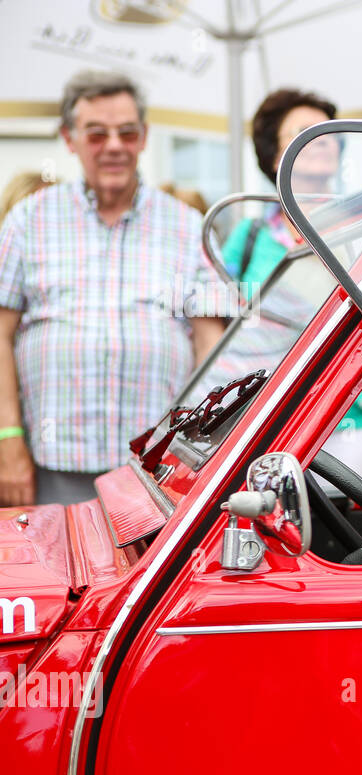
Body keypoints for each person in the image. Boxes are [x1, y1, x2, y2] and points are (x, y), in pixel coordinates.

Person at [0, 70, 226, 506]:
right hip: (50, 462)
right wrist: (7, 439)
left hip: (157, 469)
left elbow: (211, 346)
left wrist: (197, 451)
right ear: (69, 138)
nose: (114, 146)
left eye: (127, 132)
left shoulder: (187, 225)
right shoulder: (27, 220)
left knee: (155, 576)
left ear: (144, 137)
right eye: (97, 134)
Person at [222, 88, 362, 486]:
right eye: (307, 132)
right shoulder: (249, 238)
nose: (323, 140)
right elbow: (221, 335)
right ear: (276, 155)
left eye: (329, 133)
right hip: (262, 423)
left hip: (349, 423)